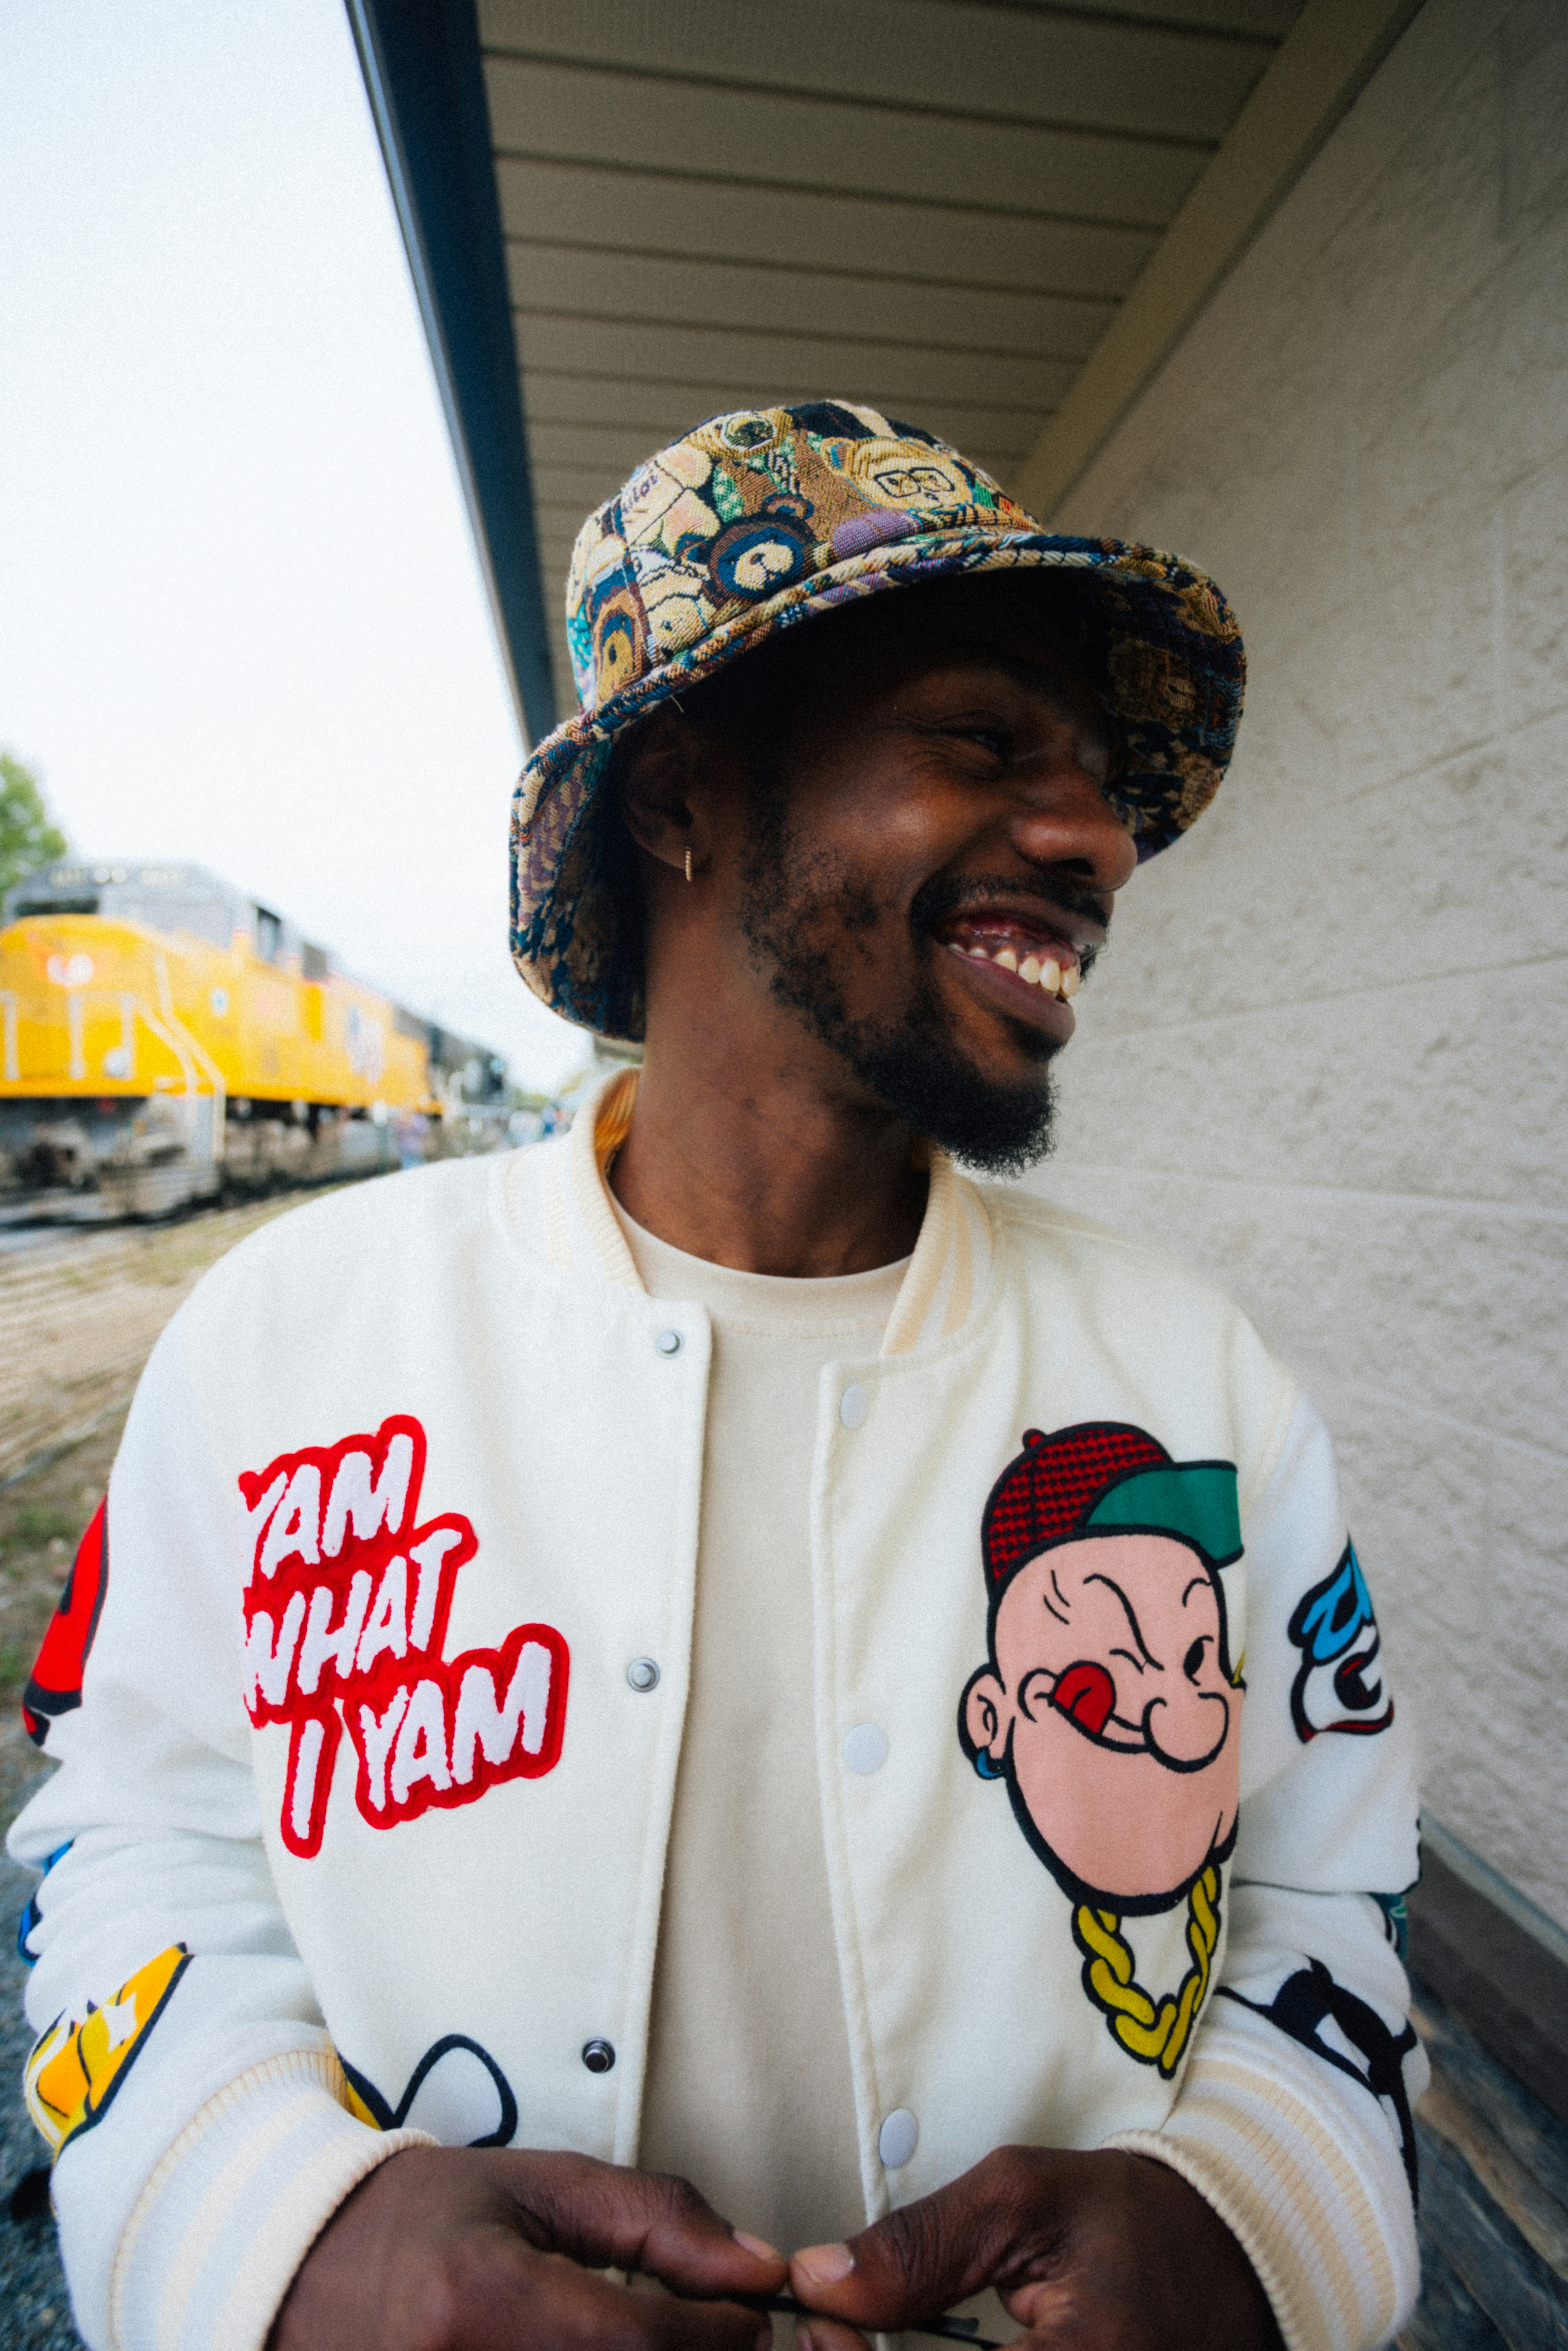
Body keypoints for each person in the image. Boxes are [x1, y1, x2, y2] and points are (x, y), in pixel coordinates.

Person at [10, 404, 1423, 2351]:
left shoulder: (1195, 1385)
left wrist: (1252, 2224)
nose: (1097, 840)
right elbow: (131, 1827)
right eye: (982, 743)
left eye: (1100, 782)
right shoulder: (290, 1341)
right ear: (681, 793)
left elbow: (1332, 1895)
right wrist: (274, 2227)